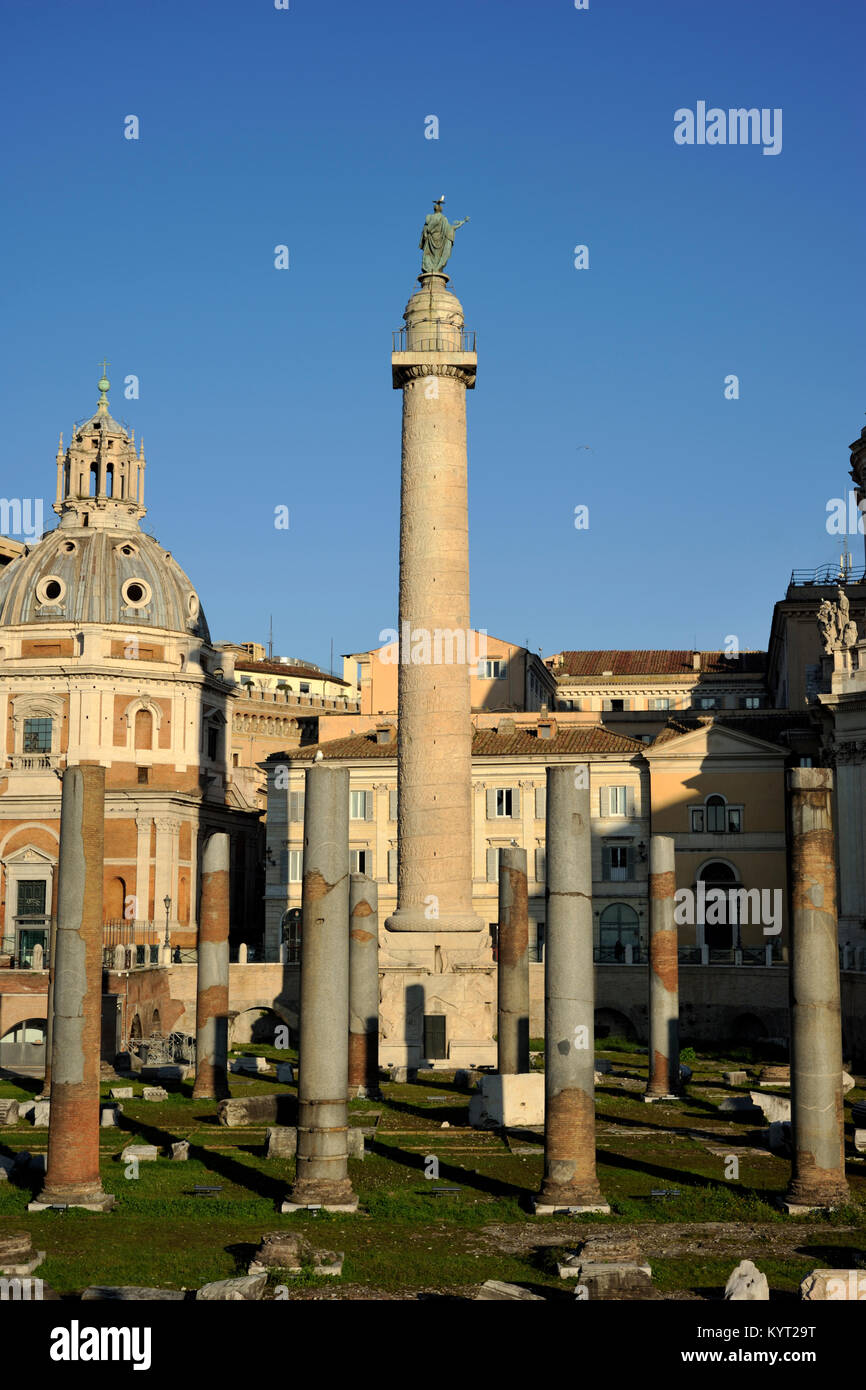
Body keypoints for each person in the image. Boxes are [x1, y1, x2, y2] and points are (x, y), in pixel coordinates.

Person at [419, 196, 469, 273]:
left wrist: (463, 222)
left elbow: (425, 230)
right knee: (432, 257)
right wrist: (462, 222)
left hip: (429, 241)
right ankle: (436, 267)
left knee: (427, 257)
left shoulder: (429, 218)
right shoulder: (443, 219)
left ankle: (433, 268)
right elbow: (451, 228)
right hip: (435, 242)